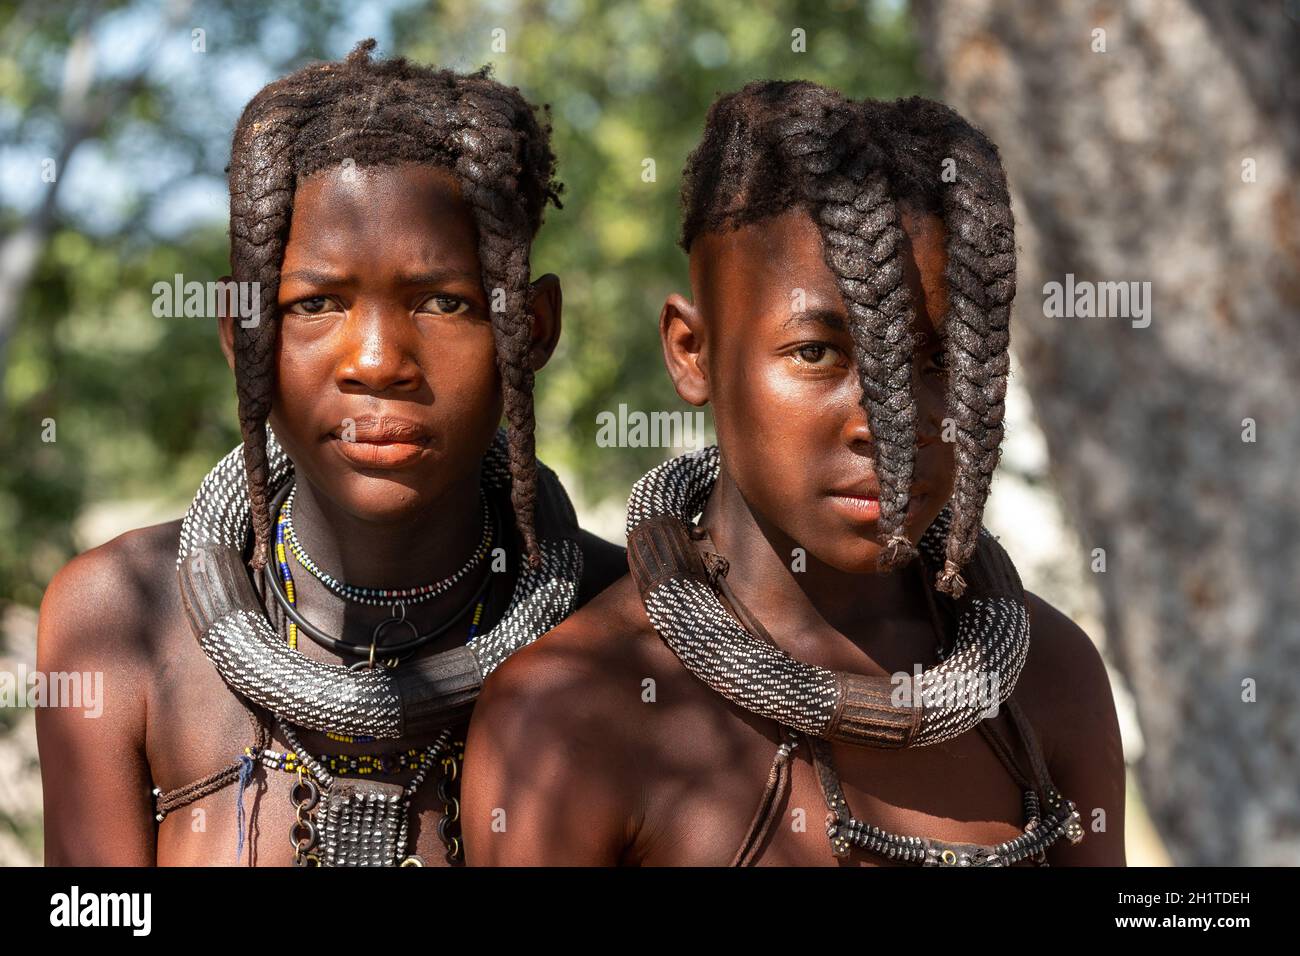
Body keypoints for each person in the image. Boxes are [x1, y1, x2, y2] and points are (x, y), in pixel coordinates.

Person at [461, 81, 1126, 866]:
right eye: (819, 353)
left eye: (941, 359)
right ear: (691, 351)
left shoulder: (1049, 678)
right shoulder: (573, 712)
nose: (889, 427)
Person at [35, 40, 625, 867]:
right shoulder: (114, 623)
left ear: (529, 330)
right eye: (316, 303)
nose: (378, 359)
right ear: (244, 338)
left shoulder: (634, 632)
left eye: (443, 301)